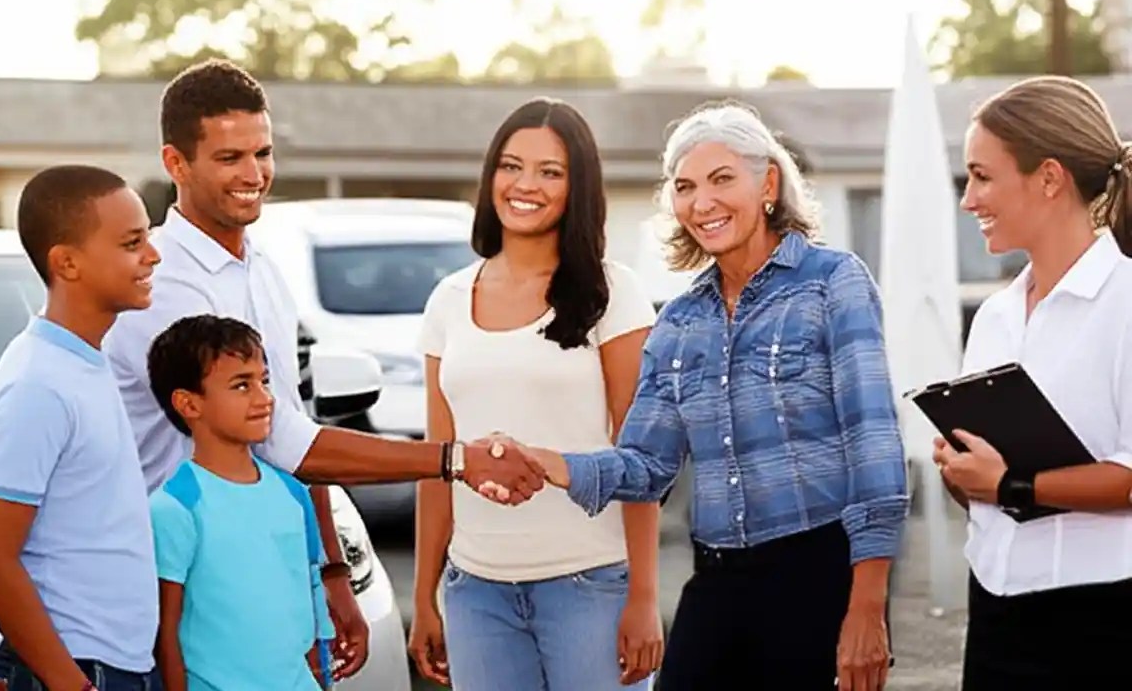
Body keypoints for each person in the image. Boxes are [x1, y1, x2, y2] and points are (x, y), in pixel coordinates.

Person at [102, 60, 546, 678]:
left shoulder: (266, 271)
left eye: (263, 152)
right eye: (229, 158)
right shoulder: (160, 284)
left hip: (266, 581)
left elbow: (289, 424)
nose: (253, 174)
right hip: (179, 586)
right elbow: (286, 440)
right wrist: (457, 460)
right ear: (176, 164)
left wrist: (331, 570)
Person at [525, 102, 908, 691]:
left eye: (722, 179)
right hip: (718, 579)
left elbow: (874, 445)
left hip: (819, 574)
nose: (701, 202)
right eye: (685, 187)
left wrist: (866, 607)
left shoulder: (834, 282)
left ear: (769, 184)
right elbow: (647, 467)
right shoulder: (678, 320)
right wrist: (551, 465)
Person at [408, 98, 662, 690]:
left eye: (550, 171)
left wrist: (645, 597)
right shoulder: (448, 299)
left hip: (590, 586)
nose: (525, 185)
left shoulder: (614, 294)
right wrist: (425, 595)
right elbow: (437, 461)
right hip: (476, 594)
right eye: (510, 165)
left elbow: (641, 461)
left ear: (578, 187)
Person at [931, 76, 1132, 689]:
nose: (968, 199)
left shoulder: (1126, 304)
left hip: (1102, 624)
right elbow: (985, 490)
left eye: (982, 176)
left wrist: (1009, 483)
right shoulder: (993, 316)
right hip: (994, 610)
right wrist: (965, 474)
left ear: (1049, 178)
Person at [0, 165, 163, 691]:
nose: (153, 255)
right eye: (132, 242)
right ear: (67, 262)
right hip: (72, 667)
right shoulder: (37, 382)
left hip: (113, 661)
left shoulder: (85, 359)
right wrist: (68, 682)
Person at [146, 314, 336, 691]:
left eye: (263, 381)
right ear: (189, 403)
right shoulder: (174, 507)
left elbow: (310, 590)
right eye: (241, 385)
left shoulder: (293, 493)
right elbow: (165, 633)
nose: (264, 399)